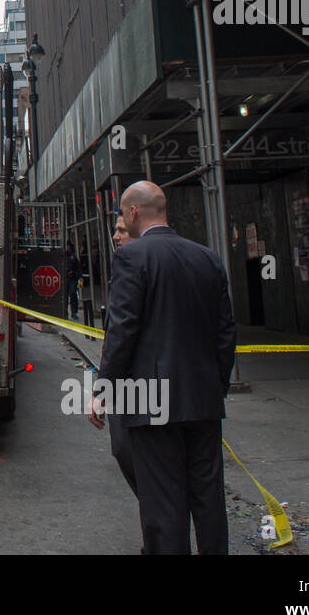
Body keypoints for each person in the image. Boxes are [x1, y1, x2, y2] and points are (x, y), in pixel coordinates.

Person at [98, 181, 236, 555]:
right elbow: (226, 332)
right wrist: (216, 386)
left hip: (152, 404)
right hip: (203, 401)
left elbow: (123, 330)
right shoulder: (208, 258)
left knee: (164, 501)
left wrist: (102, 388)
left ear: (134, 213)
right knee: (208, 496)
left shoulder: (131, 257)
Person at [89, 212, 138, 497]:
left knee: (126, 450)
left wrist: (101, 391)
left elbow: (120, 335)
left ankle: (161, 529)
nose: (115, 237)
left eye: (121, 230)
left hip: (138, 387)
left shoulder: (128, 265)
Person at [64, 240, 82, 320]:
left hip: (73, 278)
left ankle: (74, 312)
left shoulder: (73, 256)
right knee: (64, 296)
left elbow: (78, 267)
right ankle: (65, 313)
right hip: (65, 278)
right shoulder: (62, 256)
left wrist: (80, 277)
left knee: (73, 294)